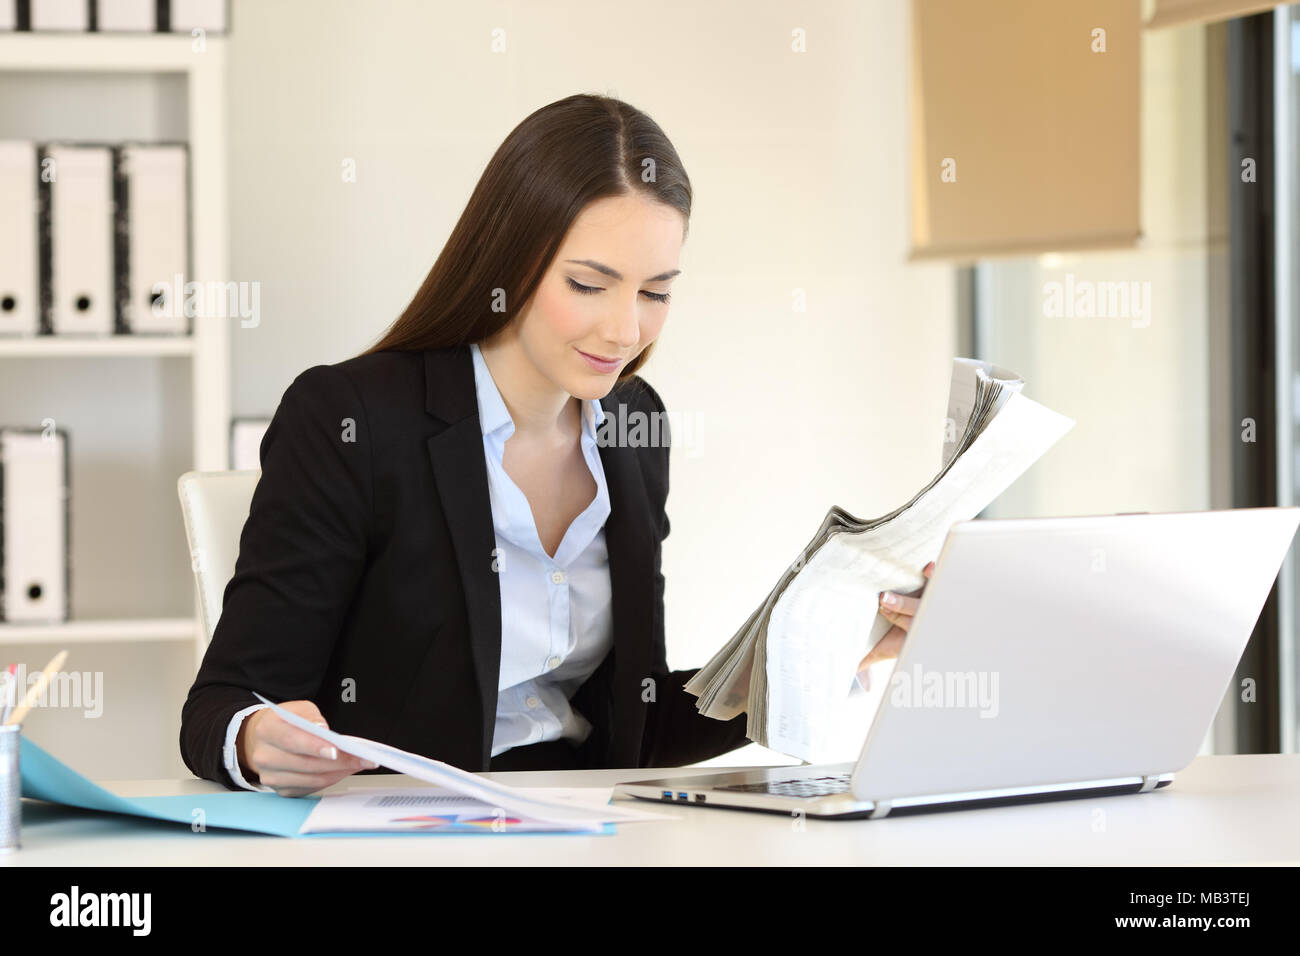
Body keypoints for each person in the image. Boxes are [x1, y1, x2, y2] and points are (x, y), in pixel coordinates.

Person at [179, 93, 924, 797]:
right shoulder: (351, 417)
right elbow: (221, 706)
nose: (626, 331)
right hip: (403, 834)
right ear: (509, 261)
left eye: (656, 292)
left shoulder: (634, 425)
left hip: (582, 825)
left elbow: (636, 724)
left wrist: (832, 645)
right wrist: (255, 739)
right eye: (590, 285)